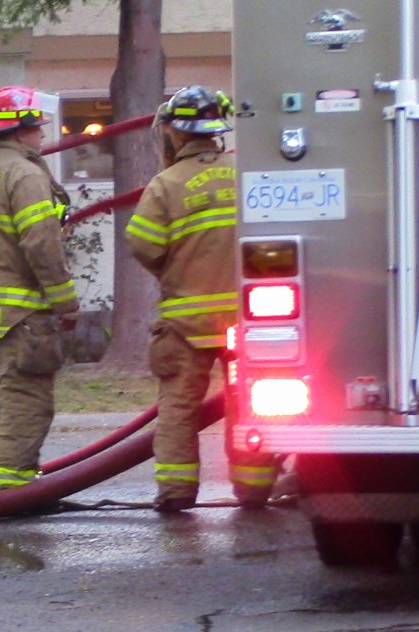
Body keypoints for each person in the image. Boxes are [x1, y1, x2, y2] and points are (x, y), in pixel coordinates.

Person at [124, 85, 277, 512]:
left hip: (186, 320)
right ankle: (254, 488)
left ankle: (176, 491)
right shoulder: (246, 174)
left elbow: (143, 245)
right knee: (249, 400)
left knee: (179, 405)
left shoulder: (165, 185)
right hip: (248, 318)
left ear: (175, 132)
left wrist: (175, 270)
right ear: (218, 130)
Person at [0, 86, 80, 494]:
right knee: (26, 403)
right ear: (22, 129)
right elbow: (40, 243)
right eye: (38, 127)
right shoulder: (26, 174)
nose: (44, 134)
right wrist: (66, 302)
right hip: (22, 313)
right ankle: (15, 492)